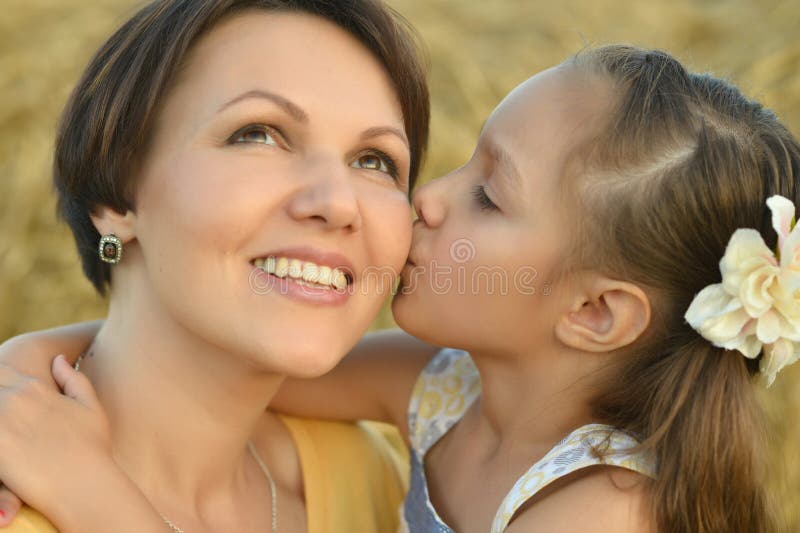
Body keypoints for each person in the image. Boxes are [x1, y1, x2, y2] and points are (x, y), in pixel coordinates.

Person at [3, 46, 799, 532]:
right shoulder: (443, 386)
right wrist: (21, 374)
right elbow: (216, 353)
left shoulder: (607, 508)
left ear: (594, 311)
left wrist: (85, 489)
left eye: (489, 195)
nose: (425, 197)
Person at [0, 0, 431, 531]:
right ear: (116, 197)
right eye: (256, 133)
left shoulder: (368, 479)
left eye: (375, 160)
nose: (339, 203)